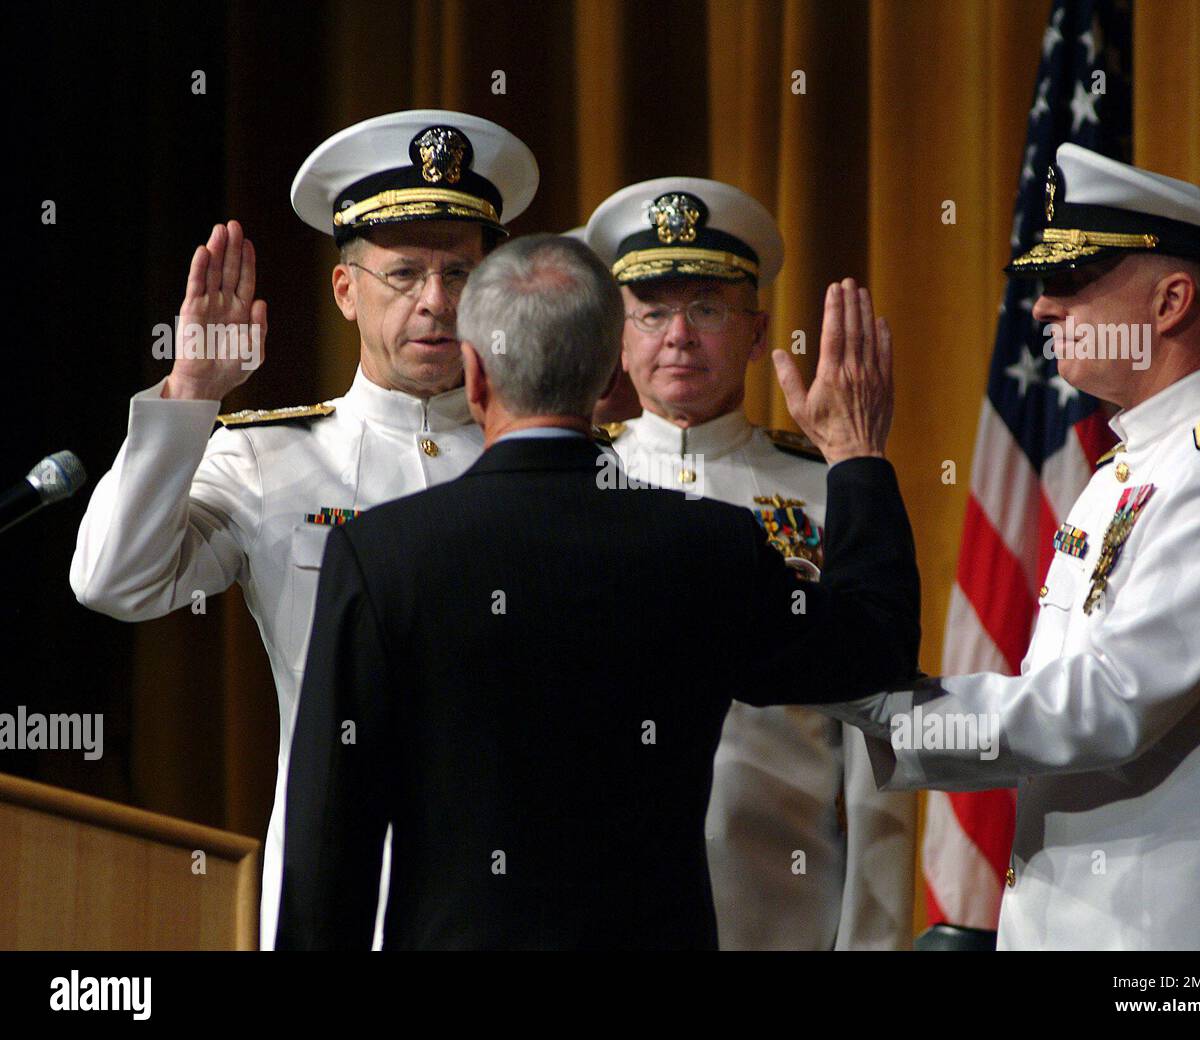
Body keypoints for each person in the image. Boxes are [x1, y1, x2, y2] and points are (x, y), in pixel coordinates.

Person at [275, 234, 920, 950]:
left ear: (476, 372)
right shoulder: (707, 547)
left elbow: (330, 838)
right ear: (606, 369)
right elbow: (875, 654)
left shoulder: (381, 553)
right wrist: (857, 457)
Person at [68, 110, 539, 949]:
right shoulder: (269, 458)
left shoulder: (553, 463)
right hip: (342, 900)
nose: (435, 302)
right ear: (346, 290)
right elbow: (112, 581)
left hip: (531, 896)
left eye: (460, 273)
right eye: (403, 274)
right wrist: (189, 399)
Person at [824, 143, 1200, 950]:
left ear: (1172, 301)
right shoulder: (1130, 464)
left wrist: (896, 714)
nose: (1041, 310)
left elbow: (1111, 703)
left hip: (1174, 939)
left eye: (1070, 283)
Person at [582, 178, 917, 949]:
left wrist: (873, 937)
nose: (678, 336)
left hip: (781, 912)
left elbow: (880, 738)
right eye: (654, 311)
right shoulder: (571, 484)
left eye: (706, 308)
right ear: (619, 336)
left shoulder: (830, 487)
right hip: (604, 913)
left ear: (758, 331)